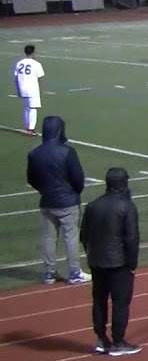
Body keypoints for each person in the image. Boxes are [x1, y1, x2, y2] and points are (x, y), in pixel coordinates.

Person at [80, 167, 141, 356]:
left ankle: (101, 339)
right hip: (119, 263)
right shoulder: (127, 206)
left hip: (97, 262)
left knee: (99, 300)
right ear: (124, 184)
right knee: (120, 302)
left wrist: (92, 253)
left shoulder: (93, 205)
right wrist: (132, 264)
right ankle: (118, 341)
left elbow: (84, 235)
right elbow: (131, 238)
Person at [26, 115, 90, 285]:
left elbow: (31, 179)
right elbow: (78, 178)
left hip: (47, 200)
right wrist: (74, 192)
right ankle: (74, 271)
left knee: (48, 237)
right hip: (67, 201)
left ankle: (49, 273)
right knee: (70, 236)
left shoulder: (35, 154)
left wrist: (44, 190)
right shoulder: (67, 152)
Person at [13, 44, 44, 136]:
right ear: (33, 52)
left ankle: (27, 126)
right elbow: (40, 78)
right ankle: (31, 129)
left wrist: (18, 89)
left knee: (27, 108)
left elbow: (16, 78)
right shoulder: (36, 64)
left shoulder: (19, 63)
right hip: (32, 90)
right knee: (33, 108)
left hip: (22, 88)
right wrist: (42, 90)